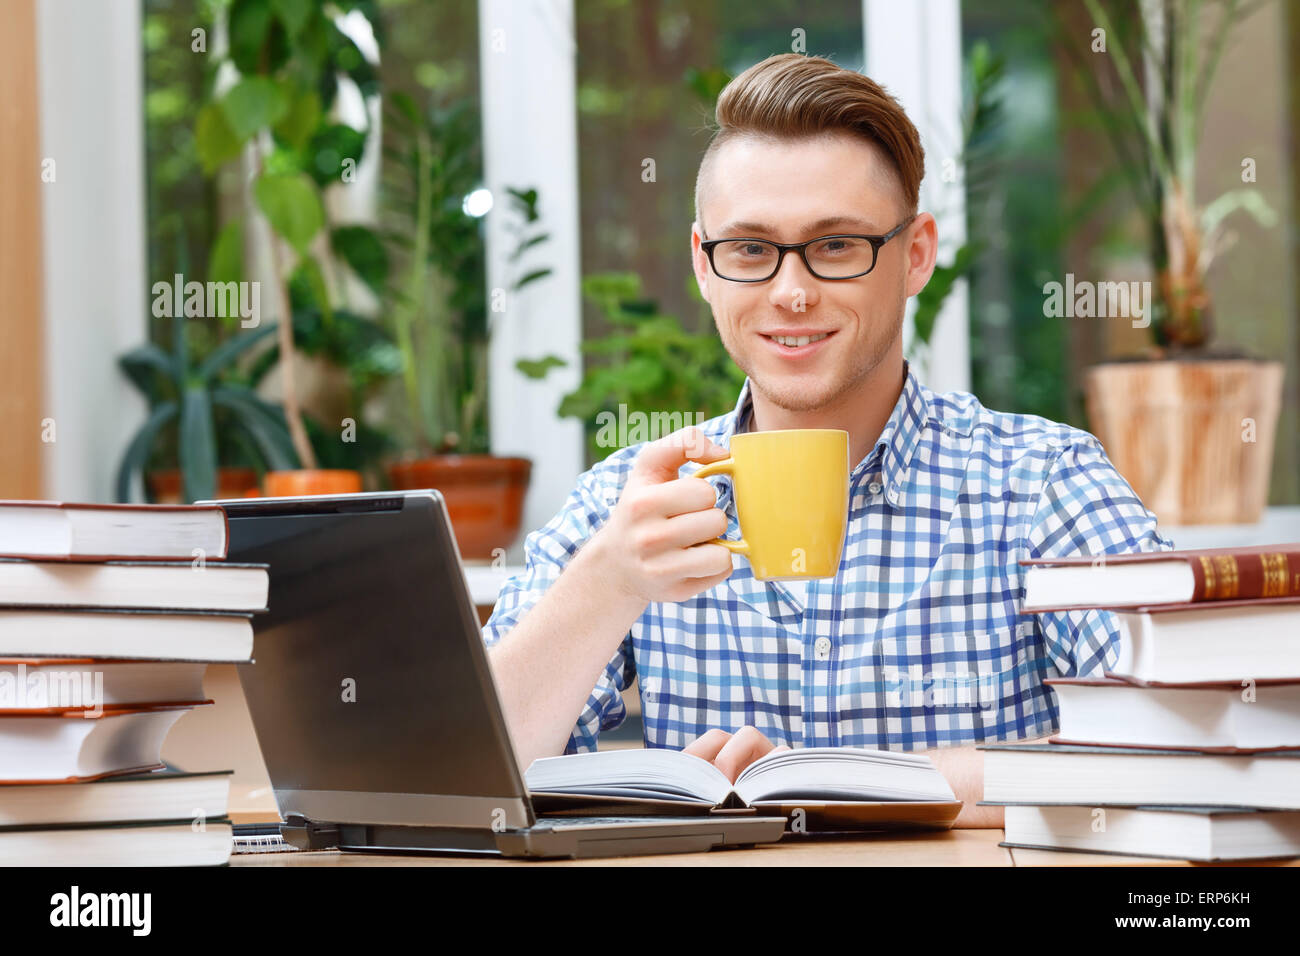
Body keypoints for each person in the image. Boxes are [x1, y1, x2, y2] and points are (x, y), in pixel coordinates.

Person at [482, 53, 1172, 827]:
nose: (791, 292)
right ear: (703, 266)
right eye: (749, 250)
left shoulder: (1044, 480)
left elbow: (1178, 740)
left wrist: (861, 784)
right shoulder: (631, 503)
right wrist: (607, 582)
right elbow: (471, 779)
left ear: (914, 255)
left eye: (836, 245)